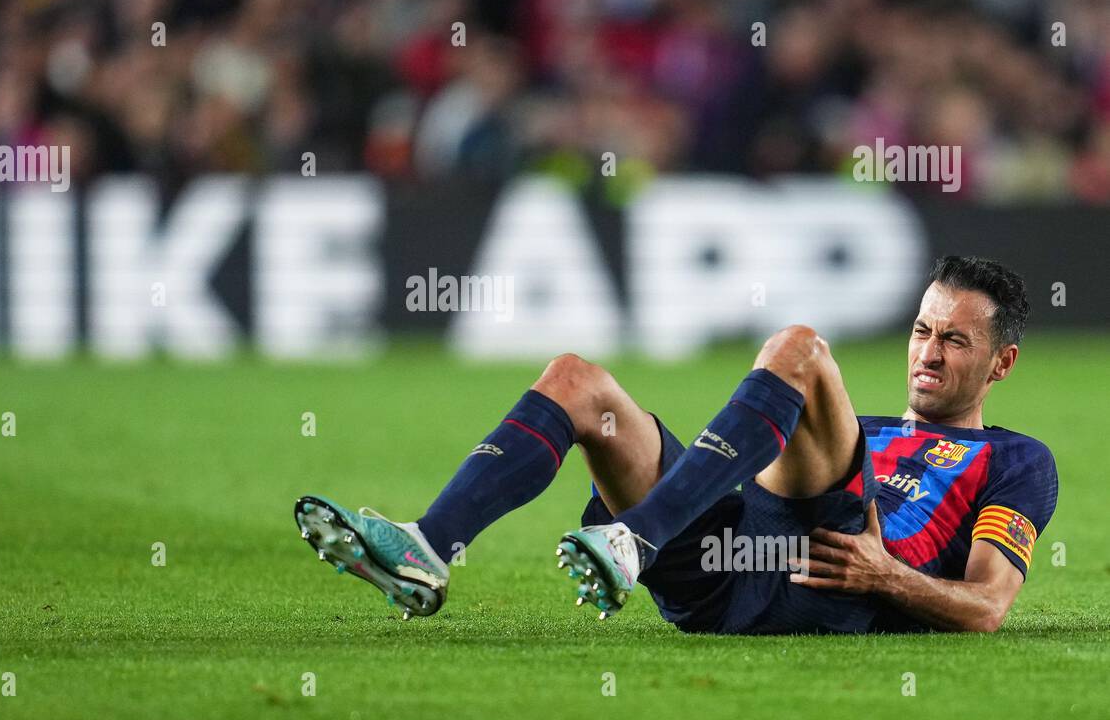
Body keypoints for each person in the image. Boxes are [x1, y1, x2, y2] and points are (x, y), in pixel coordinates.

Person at [295, 256, 1057, 633]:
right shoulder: (871, 433)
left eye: (954, 340)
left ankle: (636, 538)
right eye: (923, 330)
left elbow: (990, 605)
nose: (927, 353)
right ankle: (429, 546)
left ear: (1002, 362)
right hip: (727, 558)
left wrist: (889, 579)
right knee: (576, 382)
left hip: (835, 568)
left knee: (799, 347)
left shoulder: (1016, 460)